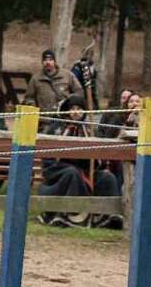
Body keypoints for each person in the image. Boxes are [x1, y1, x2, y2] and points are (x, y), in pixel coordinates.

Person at [38, 99, 121, 227]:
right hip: (59, 172)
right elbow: (48, 160)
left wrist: (95, 156)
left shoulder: (90, 130)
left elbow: (100, 160)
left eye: (79, 109)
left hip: (86, 172)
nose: (76, 112)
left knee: (107, 177)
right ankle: (71, 215)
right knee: (73, 173)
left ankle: (108, 215)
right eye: (73, 109)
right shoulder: (57, 128)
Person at [28, 48, 79, 112]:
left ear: (55, 61)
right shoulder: (35, 79)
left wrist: (69, 101)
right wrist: (34, 108)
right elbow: (28, 98)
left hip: (64, 115)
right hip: (44, 116)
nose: (48, 62)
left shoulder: (68, 75)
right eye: (45, 60)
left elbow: (78, 92)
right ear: (42, 62)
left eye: (50, 60)